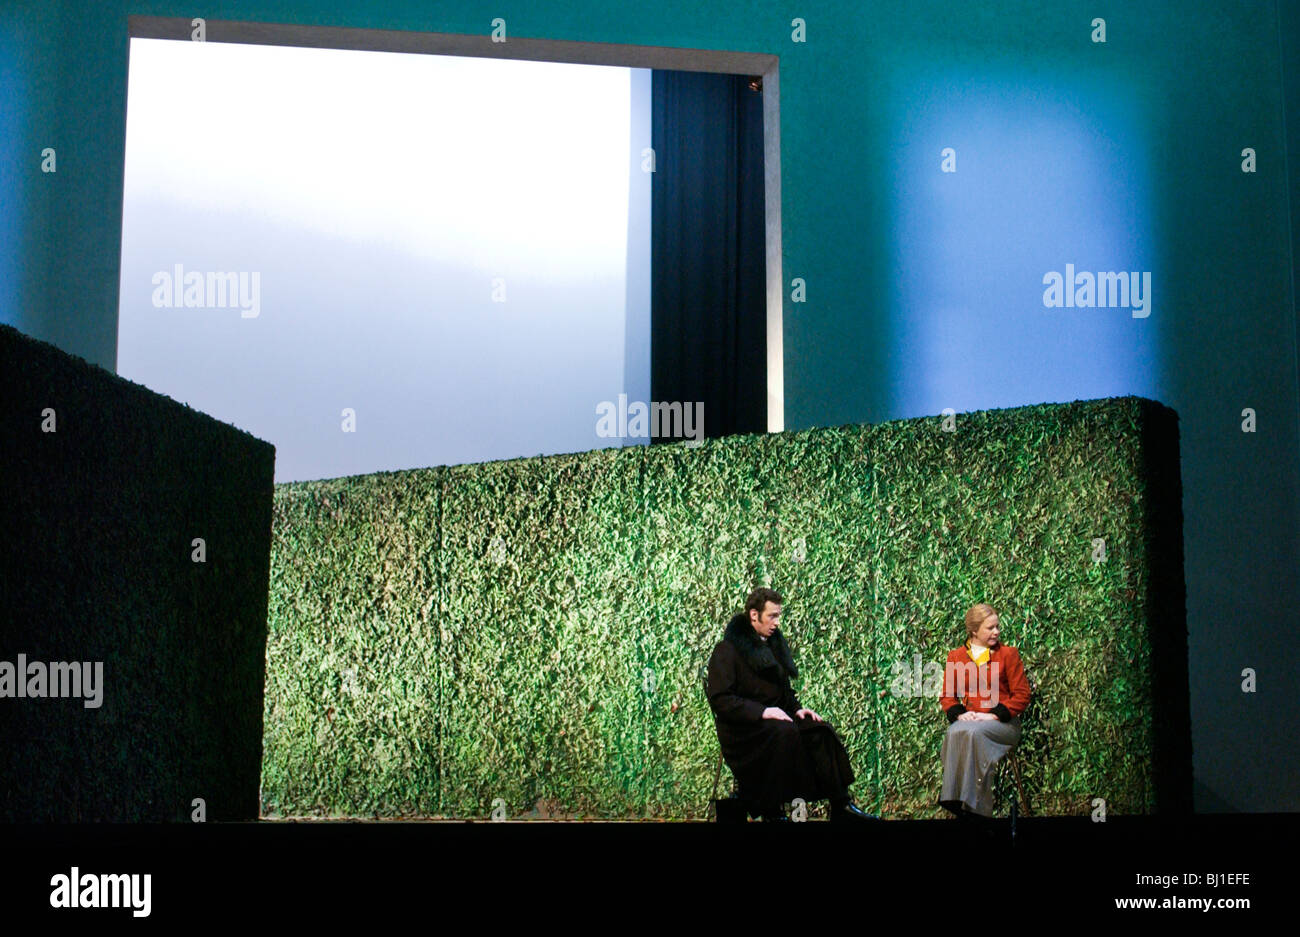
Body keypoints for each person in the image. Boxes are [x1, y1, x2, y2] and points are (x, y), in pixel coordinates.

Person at [706, 587, 874, 822]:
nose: (776, 622)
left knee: (818, 730)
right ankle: (772, 810)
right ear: (754, 615)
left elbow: (783, 692)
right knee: (784, 733)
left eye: (778, 615)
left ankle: (841, 804)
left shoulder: (772, 646)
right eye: (772, 616)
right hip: (743, 730)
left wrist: (796, 709)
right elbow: (721, 700)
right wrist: (764, 712)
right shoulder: (727, 650)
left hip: (778, 720)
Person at [938, 602, 1032, 819]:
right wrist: (960, 714)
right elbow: (947, 695)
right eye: (990, 628)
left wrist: (992, 714)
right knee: (955, 732)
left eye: (997, 627)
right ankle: (954, 797)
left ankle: (975, 810)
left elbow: (1022, 695)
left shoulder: (1008, 654)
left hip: (1003, 725)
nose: (997, 632)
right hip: (972, 722)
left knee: (973, 734)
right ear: (974, 631)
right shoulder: (956, 656)